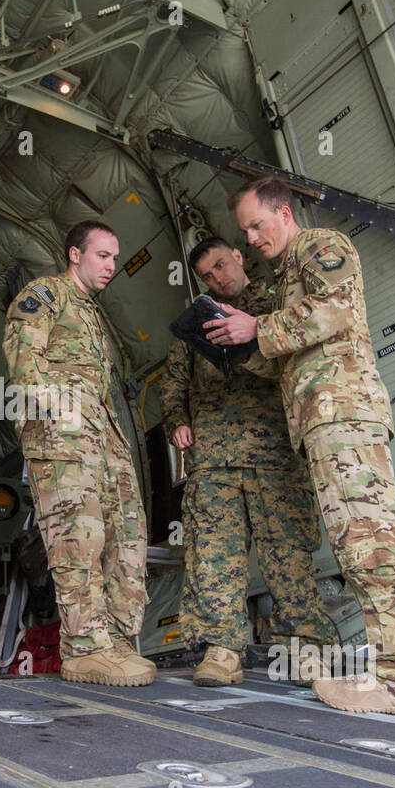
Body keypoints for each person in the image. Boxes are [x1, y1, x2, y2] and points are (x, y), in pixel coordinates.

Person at [204, 177, 395, 718]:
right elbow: (283, 354)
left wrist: (259, 325)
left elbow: (337, 308)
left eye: (256, 224)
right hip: (324, 421)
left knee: (369, 546)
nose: (250, 238)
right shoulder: (286, 274)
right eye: (244, 230)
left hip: (342, 415)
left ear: (284, 212)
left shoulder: (322, 246)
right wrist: (237, 345)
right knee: (366, 544)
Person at [159, 237, 338, 687]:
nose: (219, 278)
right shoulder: (200, 320)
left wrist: (254, 336)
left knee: (288, 554)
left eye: (222, 265)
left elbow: (301, 363)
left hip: (275, 453)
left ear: (240, 257)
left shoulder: (277, 304)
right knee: (214, 557)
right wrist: (176, 421)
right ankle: (222, 651)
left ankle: (306, 649)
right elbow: (173, 382)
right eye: (209, 275)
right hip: (214, 458)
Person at [2, 220, 154, 687]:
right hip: (66, 437)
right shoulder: (47, 294)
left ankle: (117, 642)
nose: (112, 266)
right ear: (75, 254)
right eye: (103, 255)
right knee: (79, 538)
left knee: (126, 536)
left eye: (114, 258)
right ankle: (85, 648)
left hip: (103, 437)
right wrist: (62, 421)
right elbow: (25, 366)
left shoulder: (92, 315)